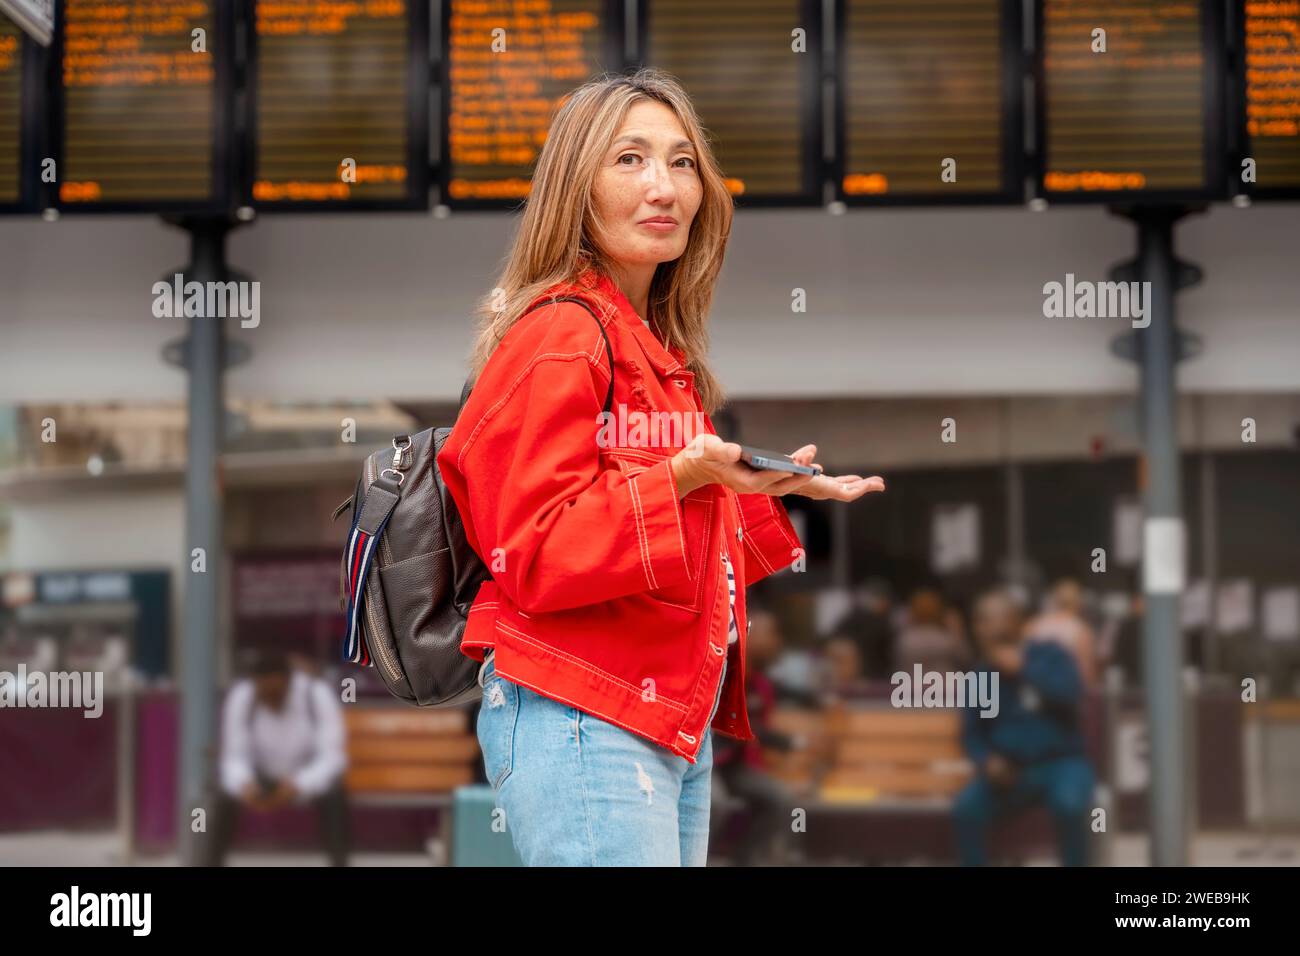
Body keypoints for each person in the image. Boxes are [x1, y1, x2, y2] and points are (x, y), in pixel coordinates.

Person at [435, 68, 887, 866]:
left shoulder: (653, 347)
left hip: (653, 715)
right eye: (631, 160)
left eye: (683, 164)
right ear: (577, 187)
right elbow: (532, 550)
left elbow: (663, 539)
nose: (664, 187)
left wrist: (743, 480)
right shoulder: (562, 334)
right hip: (586, 712)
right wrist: (680, 478)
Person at [952, 589, 1095, 867]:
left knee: (1069, 806)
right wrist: (986, 760)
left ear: (1017, 622)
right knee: (966, 810)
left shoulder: (1050, 655)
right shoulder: (982, 676)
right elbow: (973, 734)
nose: (987, 628)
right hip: (1011, 771)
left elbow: (1070, 695)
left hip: (1062, 764)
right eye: (981, 621)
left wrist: (1024, 670)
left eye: (995, 619)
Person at [204, 648, 349, 866]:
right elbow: (234, 755)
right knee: (222, 797)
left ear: (289, 683)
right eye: (263, 694)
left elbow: (332, 757)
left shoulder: (316, 695)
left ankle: (340, 863)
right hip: (260, 776)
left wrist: (300, 783)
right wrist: (243, 783)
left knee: (334, 795)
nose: (270, 701)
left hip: (305, 774)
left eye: (276, 693)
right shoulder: (242, 697)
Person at [712, 609, 806, 865]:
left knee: (781, 798)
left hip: (736, 767)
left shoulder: (761, 683)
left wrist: (825, 700)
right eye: (768, 633)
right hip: (709, 764)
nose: (775, 641)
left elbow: (793, 694)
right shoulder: (722, 669)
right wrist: (791, 742)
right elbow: (730, 724)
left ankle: (749, 859)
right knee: (714, 801)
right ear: (746, 633)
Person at [1023, 578, 1098, 687]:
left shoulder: (1034, 625)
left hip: (1035, 690)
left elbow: (1023, 660)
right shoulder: (1081, 630)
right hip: (1065, 694)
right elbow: (1086, 672)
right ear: (1078, 602)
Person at [894, 587, 970, 675]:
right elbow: (966, 659)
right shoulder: (946, 637)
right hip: (946, 684)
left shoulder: (906, 638)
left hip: (913, 685)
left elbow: (898, 665)